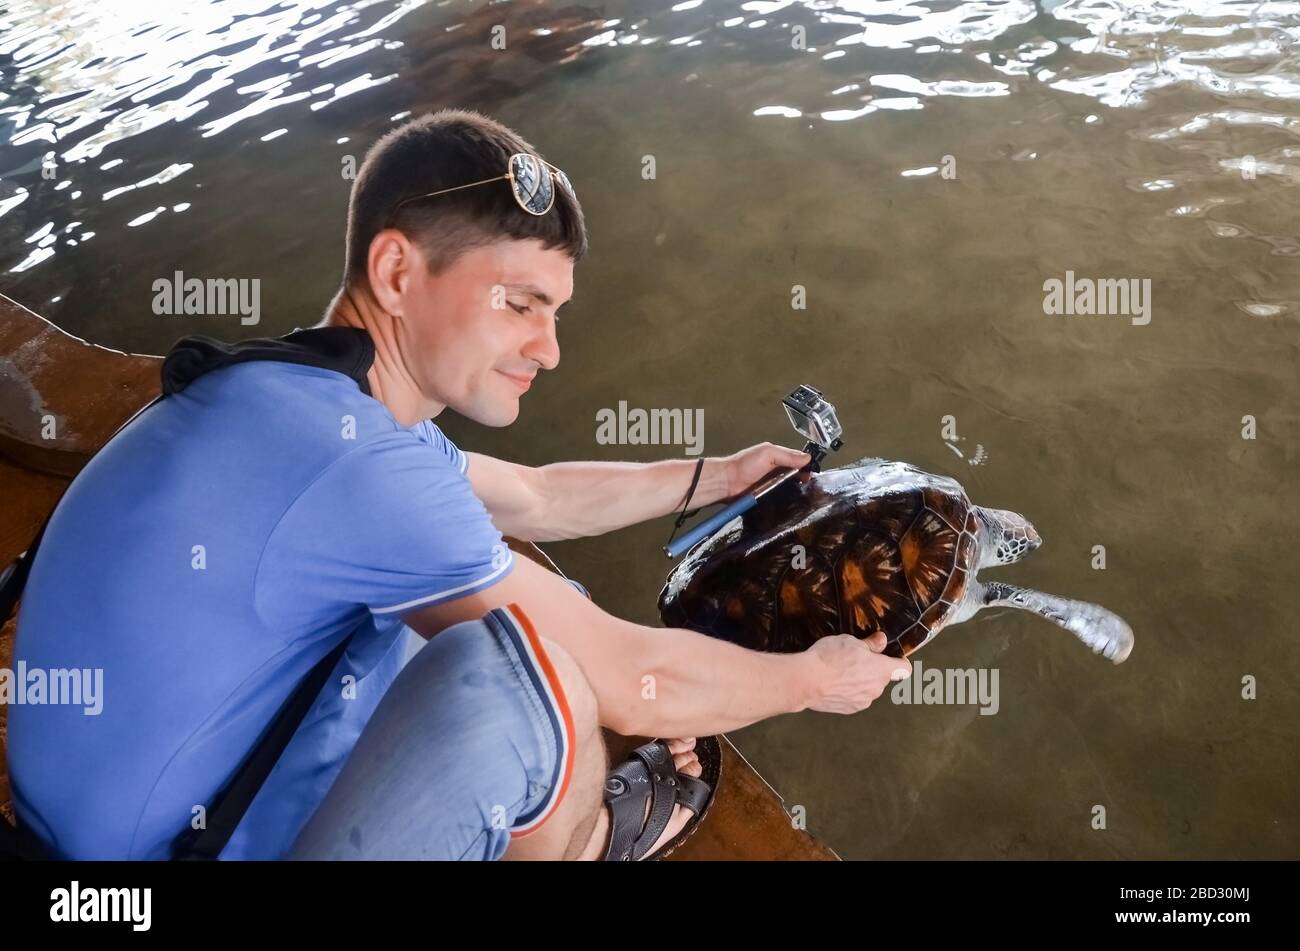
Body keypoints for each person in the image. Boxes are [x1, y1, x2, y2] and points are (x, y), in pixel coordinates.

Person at [7, 109, 910, 861]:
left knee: (516, 600)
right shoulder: (358, 465)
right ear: (398, 272)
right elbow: (639, 685)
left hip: (93, 845)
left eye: (554, 314)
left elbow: (537, 497)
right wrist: (811, 680)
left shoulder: (295, 395)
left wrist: (718, 476)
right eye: (519, 304)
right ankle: (593, 838)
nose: (548, 350)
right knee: (540, 681)